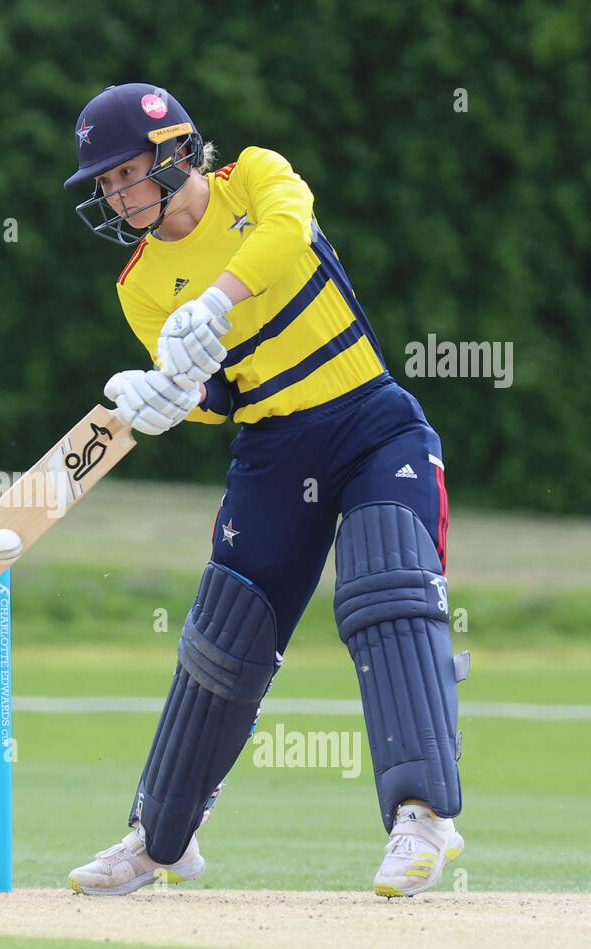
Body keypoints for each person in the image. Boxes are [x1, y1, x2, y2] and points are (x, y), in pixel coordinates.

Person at [61, 84, 467, 898]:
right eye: (104, 183)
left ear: (176, 152)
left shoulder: (253, 177)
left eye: (125, 173)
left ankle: (424, 820)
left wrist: (217, 298)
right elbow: (218, 392)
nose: (115, 194)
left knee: (386, 588)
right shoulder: (139, 284)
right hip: (275, 450)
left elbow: (289, 232)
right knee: (226, 637)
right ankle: (160, 837)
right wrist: (171, 397)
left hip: (371, 420)